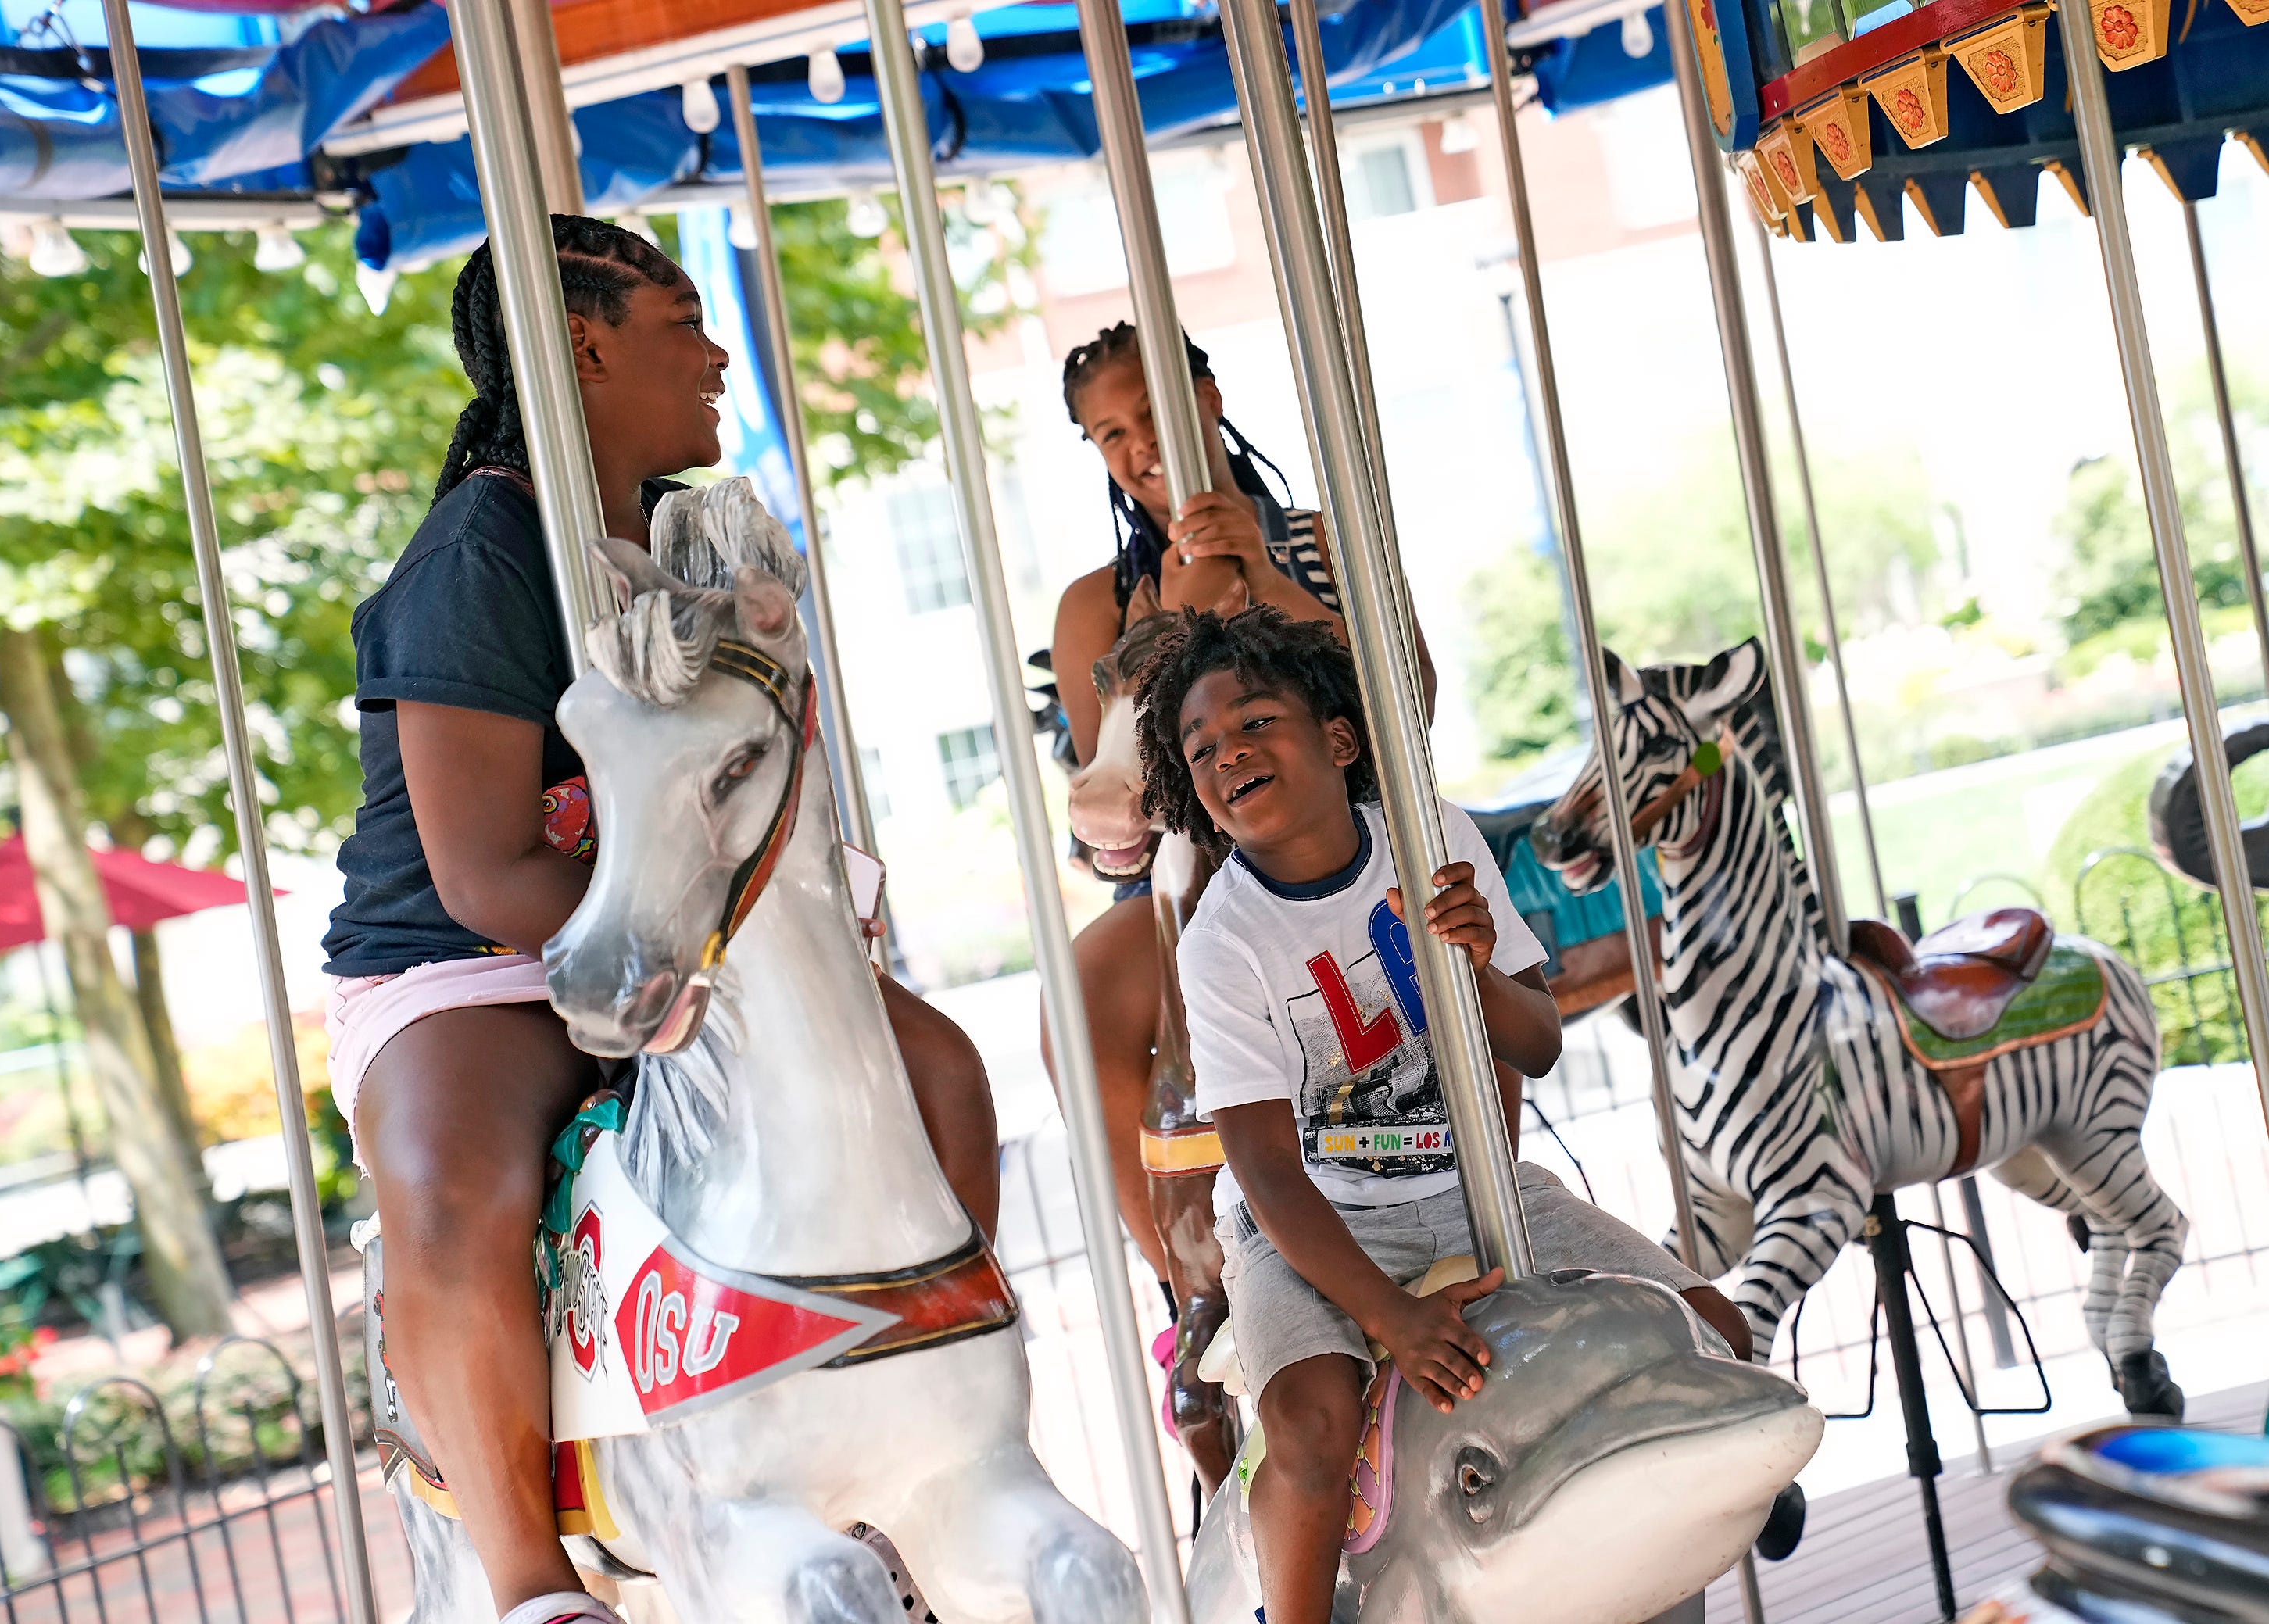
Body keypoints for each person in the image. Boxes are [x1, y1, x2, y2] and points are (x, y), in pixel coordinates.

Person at [320, 216, 999, 1624]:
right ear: (583, 348)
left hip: (676, 929)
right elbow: (482, 867)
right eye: (681, 321)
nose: (714, 351)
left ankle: (932, 1425)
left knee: (934, 1068)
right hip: (470, 967)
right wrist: (688, 947)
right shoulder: (483, 549)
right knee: (464, 1188)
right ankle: (529, 1579)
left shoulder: (679, 540)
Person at [1133, 606, 1753, 1624]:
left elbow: (1540, 1041)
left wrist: (1475, 968)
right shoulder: (1223, 938)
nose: (1227, 753)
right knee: (1312, 1417)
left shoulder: (1435, 839)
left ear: (1338, 737)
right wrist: (1391, 1316)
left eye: (1253, 722)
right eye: (1202, 748)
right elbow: (1263, 1163)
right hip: (1313, 1223)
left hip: (1473, 1187)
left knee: (1713, 1324)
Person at [1043, 321, 1434, 1279]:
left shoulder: (1321, 542)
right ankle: (1180, 1289)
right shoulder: (1102, 601)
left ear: (1207, 396)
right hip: (1193, 869)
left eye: (1152, 415)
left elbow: (1410, 702)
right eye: (1110, 433)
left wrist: (1261, 571)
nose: (1139, 447)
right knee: (1081, 991)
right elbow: (1104, 784)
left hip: (1340, 846)